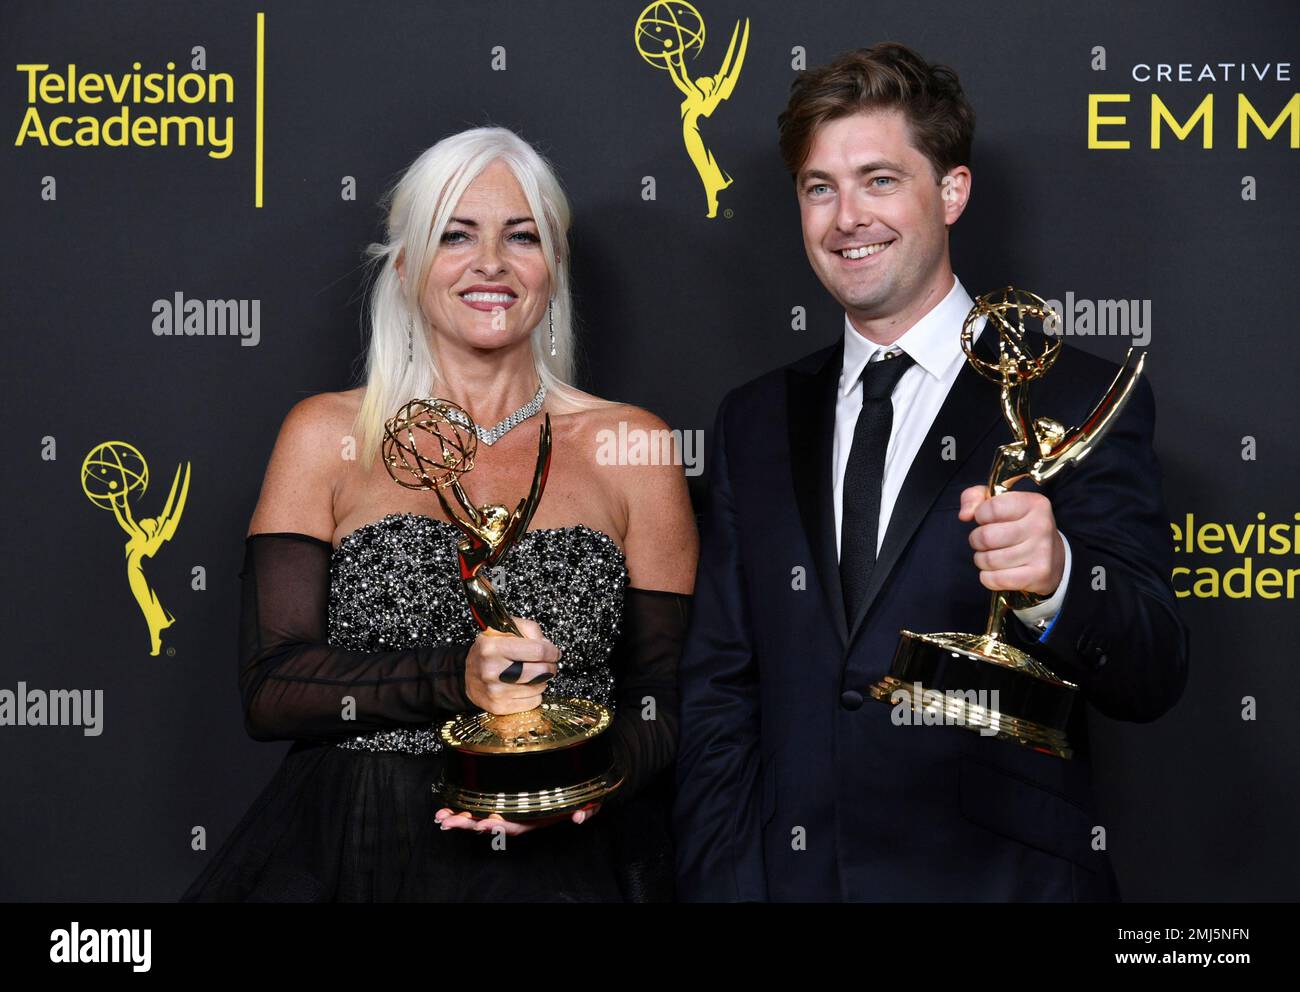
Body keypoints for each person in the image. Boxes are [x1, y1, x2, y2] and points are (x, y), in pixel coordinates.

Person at [672, 43, 1189, 902]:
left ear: (950, 192)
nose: (847, 219)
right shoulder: (752, 419)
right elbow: (722, 689)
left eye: (879, 180)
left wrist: (1060, 580)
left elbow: (1152, 671)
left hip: (1002, 885)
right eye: (819, 187)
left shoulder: (1079, 393)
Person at [181, 126, 697, 902]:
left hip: (566, 858)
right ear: (406, 263)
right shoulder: (327, 435)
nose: (490, 263)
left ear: (553, 268)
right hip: (361, 847)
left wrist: (576, 782)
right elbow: (272, 687)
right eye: (455, 235)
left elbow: (672, 693)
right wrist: (456, 677)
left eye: (521, 237)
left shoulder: (635, 445)